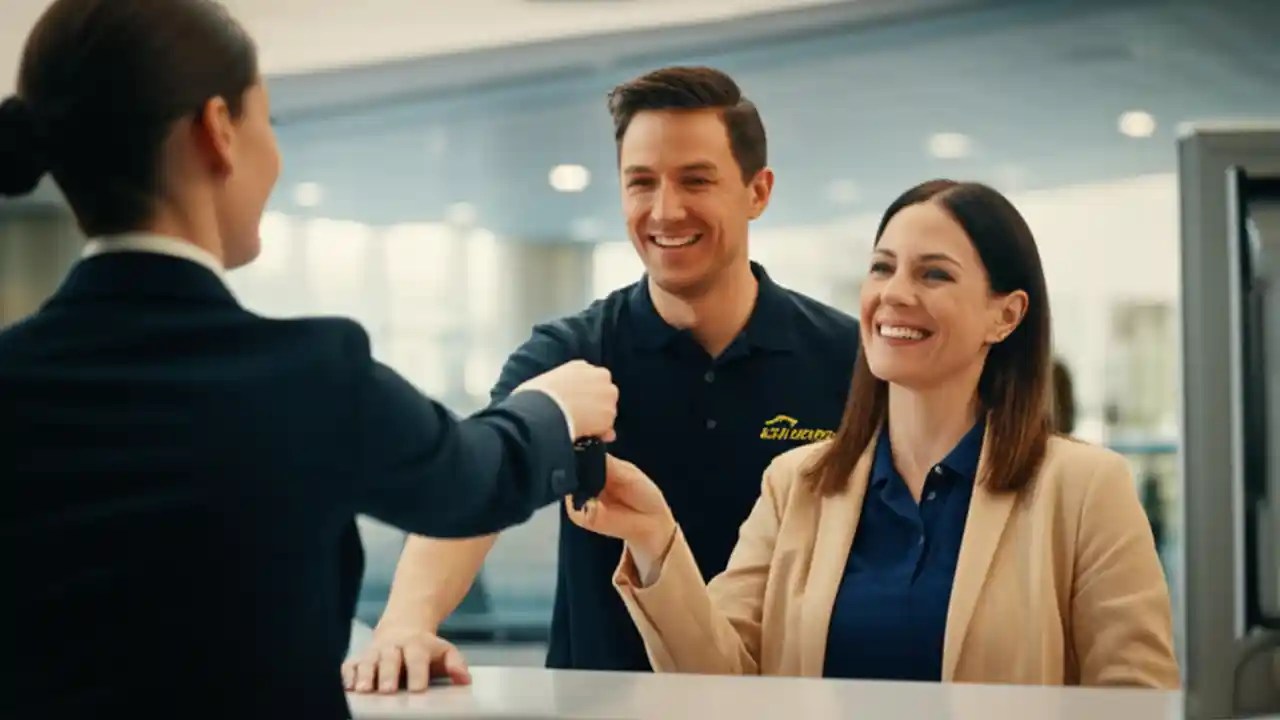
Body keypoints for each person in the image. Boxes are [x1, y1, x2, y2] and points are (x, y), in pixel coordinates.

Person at [0, 1, 616, 717]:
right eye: (269, 120)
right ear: (218, 131)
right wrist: (556, 408)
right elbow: (472, 480)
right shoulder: (311, 375)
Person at [345, 66, 860, 692]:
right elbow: (481, 480)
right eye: (641, 183)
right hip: (597, 703)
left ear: (758, 192)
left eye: (696, 180)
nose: (665, 210)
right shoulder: (572, 354)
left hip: (780, 703)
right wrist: (405, 621)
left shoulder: (846, 359)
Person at [567, 179, 1181, 688]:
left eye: (934, 275)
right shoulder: (797, 483)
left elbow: (1137, 699)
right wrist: (654, 539)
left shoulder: (1084, 489)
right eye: (882, 267)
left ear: (1006, 314)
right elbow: (720, 679)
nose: (894, 294)